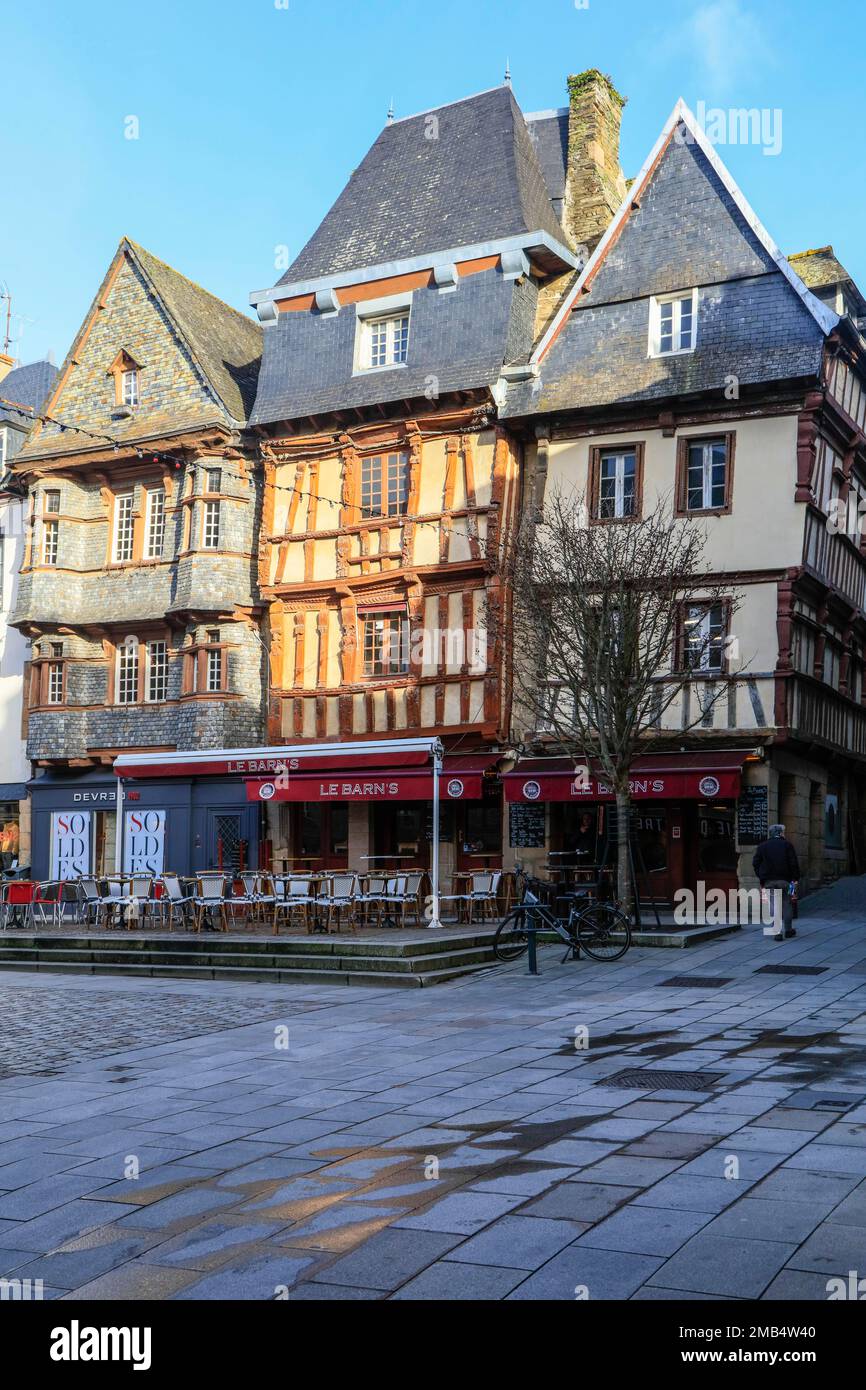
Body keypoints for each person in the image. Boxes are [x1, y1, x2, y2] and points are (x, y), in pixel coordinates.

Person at [753, 823, 800, 941]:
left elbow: (756, 863)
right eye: (783, 832)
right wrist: (795, 879)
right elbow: (793, 863)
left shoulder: (762, 846)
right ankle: (788, 930)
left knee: (774, 905)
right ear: (780, 833)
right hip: (787, 881)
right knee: (788, 903)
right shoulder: (787, 845)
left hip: (769, 881)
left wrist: (761, 876)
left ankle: (777, 932)